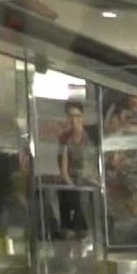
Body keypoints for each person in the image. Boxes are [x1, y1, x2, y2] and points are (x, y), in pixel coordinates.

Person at [57, 100, 100, 245]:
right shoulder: (65, 139)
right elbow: (64, 170)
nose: (74, 120)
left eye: (77, 116)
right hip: (76, 183)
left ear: (82, 116)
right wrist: (73, 185)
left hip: (93, 181)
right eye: (71, 116)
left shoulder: (92, 135)